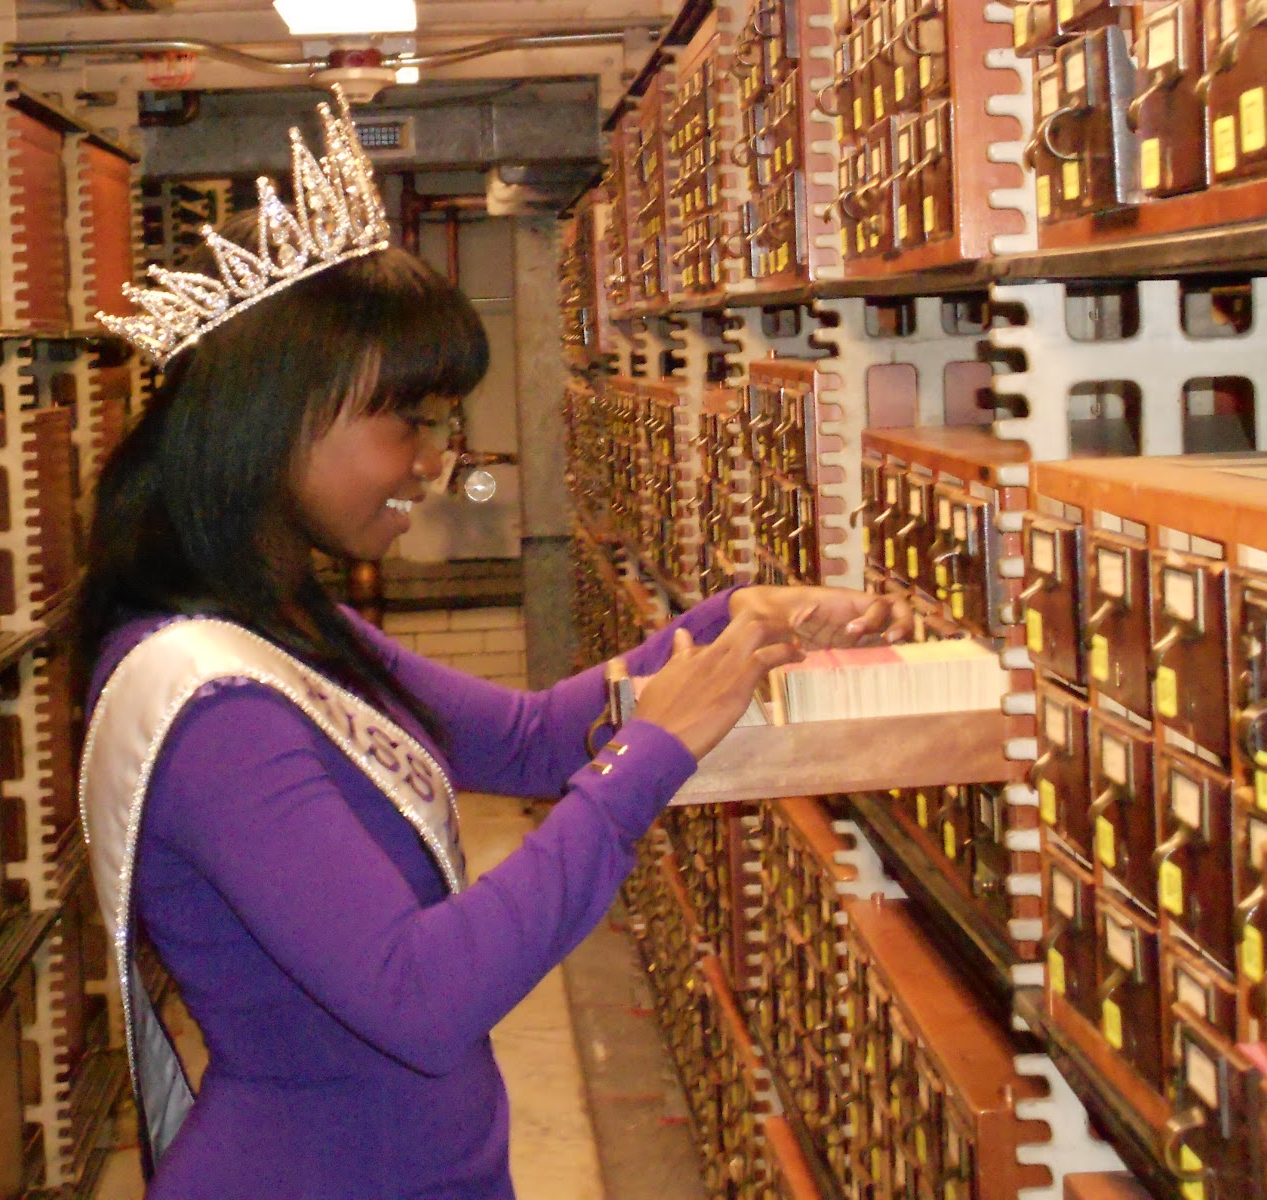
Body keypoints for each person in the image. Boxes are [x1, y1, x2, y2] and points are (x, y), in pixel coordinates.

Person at [78, 88, 912, 1200]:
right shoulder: (208, 706)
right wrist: (644, 763)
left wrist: (741, 623)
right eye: (409, 422)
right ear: (273, 421)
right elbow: (421, 996)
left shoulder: (283, 627)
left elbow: (529, 739)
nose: (435, 461)